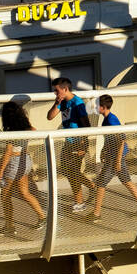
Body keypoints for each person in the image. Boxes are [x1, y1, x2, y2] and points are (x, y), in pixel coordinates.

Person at [0, 101, 45, 235]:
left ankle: (9, 227)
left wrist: (0, 172)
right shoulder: (26, 127)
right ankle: (42, 217)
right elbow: (34, 130)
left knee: (5, 195)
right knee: (24, 192)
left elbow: (8, 153)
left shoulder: (11, 130)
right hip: (26, 160)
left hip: (15, 163)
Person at [88, 95, 137, 223]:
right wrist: (103, 151)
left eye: (97, 106)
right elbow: (110, 139)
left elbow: (121, 140)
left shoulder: (111, 120)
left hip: (116, 157)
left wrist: (118, 161)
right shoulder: (106, 119)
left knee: (101, 183)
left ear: (103, 107)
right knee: (125, 180)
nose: (95, 108)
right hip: (113, 155)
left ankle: (96, 214)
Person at [49, 78, 93, 213]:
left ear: (65, 89)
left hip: (78, 144)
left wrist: (83, 146)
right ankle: (92, 186)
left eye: (57, 91)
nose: (55, 93)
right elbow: (50, 116)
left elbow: (86, 125)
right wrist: (56, 103)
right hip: (68, 143)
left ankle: (80, 202)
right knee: (66, 170)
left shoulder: (77, 103)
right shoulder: (62, 102)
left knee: (73, 173)